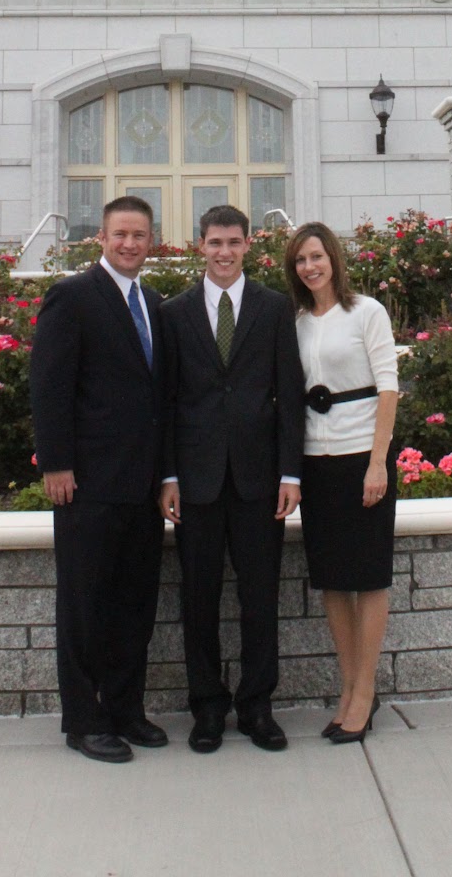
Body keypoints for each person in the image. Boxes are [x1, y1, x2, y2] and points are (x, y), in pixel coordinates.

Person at [160, 205, 305, 753]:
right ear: (200, 244)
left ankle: (257, 706)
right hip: (195, 481)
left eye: (234, 242)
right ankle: (207, 707)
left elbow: (290, 394)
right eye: (215, 242)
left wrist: (291, 472)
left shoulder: (275, 308)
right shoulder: (174, 313)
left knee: (260, 596)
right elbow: (166, 401)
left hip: (259, 480)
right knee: (198, 598)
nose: (224, 252)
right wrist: (168, 475)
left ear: (249, 245)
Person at [30, 195, 168, 764]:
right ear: (102, 239)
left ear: (151, 241)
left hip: (143, 485)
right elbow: (49, 385)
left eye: (139, 235)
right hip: (87, 483)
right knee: (86, 606)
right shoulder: (73, 296)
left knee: (135, 605)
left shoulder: (154, 303)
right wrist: (56, 463)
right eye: (120, 234)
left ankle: (126, 710)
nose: (129, 244)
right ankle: (84, 721)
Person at [283, 221, 399, 744]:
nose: (310, 267)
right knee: (332, 580)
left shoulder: (366, 312)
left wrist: (378, 462)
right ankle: (348, 687)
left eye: (316, 256)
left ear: (332, 258)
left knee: (368, 578)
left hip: (360, 459)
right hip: (316, 461)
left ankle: (366, 691)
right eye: (300, 260)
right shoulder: (296, 322)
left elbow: (388, 388)